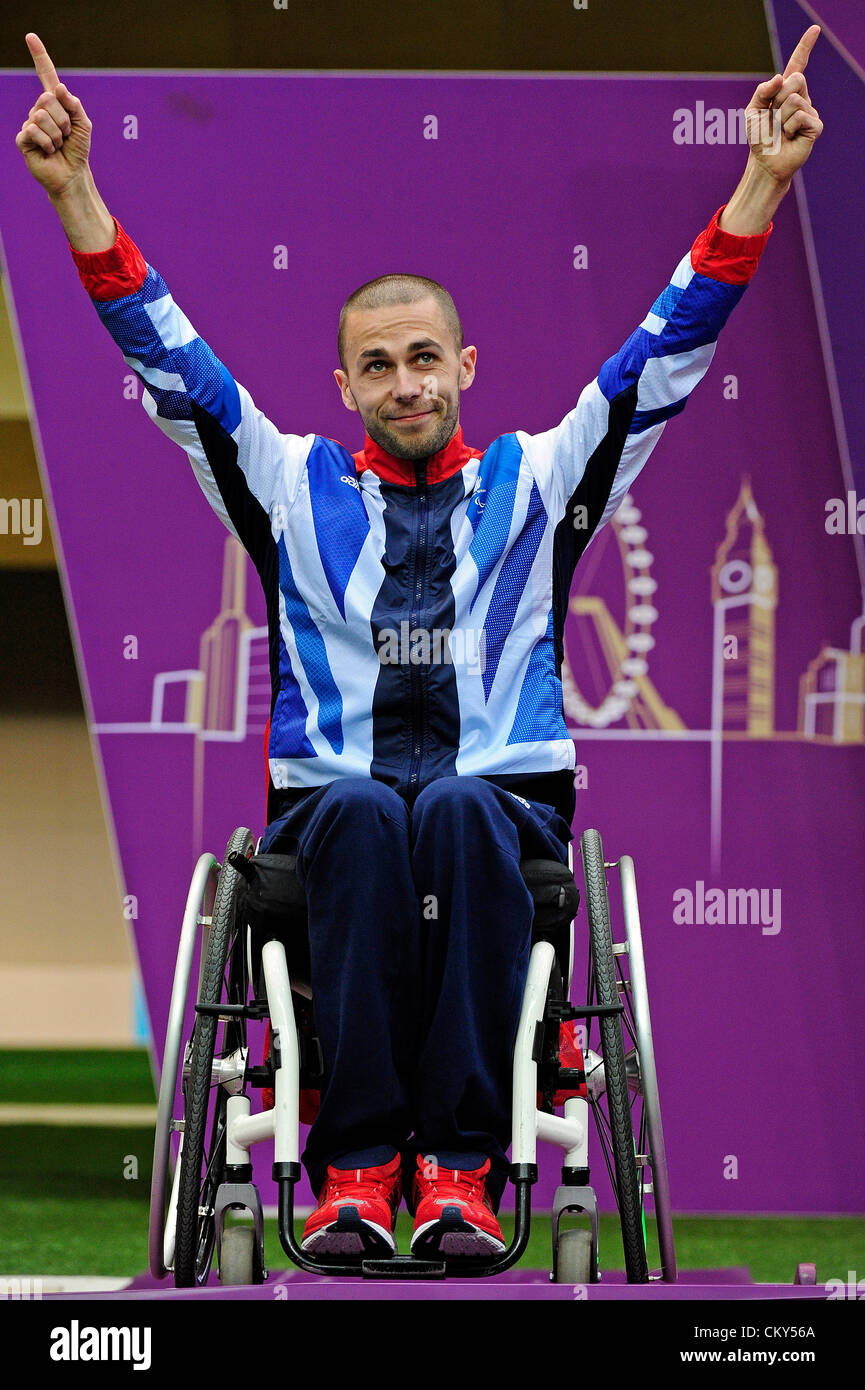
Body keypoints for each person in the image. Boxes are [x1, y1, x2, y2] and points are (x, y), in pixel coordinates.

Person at [16, 28, 823, 1259]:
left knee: (447, 809)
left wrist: (760, 180)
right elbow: (169, 361)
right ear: (343, 385)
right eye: (378, 366)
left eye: (425, 360)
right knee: (357, 814)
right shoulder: (286, 486)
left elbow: (666, 349)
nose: (406, 383)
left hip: (498, 810)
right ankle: (351, 1173)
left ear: (465, 368)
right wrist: (78, 193)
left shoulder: (541, 480)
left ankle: (457, 1167)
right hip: (329, 817)